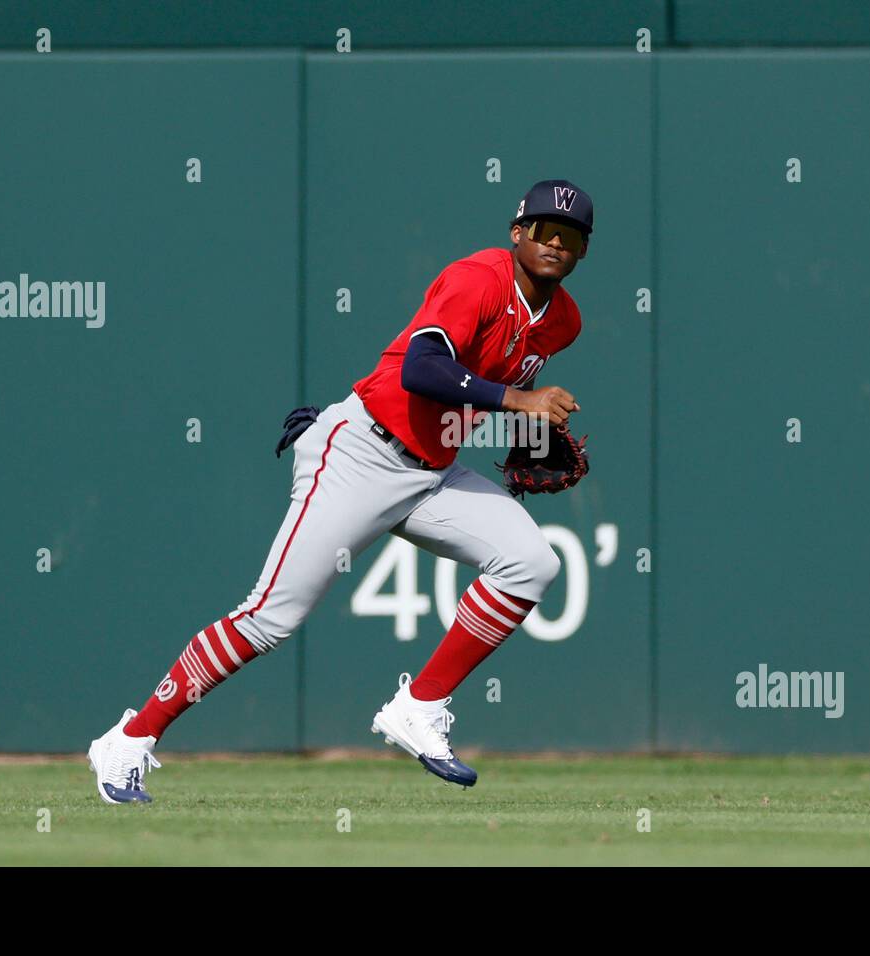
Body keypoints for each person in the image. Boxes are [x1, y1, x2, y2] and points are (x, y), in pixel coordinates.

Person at [87, 179, 594, 803]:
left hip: (430, 472)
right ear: (516, 234)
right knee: (271, 617)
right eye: (542, 229)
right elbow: (422, 368)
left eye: (569, 237)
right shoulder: (478, 279)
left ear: (581, 253)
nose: (554, 242)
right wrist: (518, 401)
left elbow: (478, 381)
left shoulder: (563, 322)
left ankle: (419, 706)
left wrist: (518, 427)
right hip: (362, 452)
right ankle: (130, 740)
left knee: (531, 562)